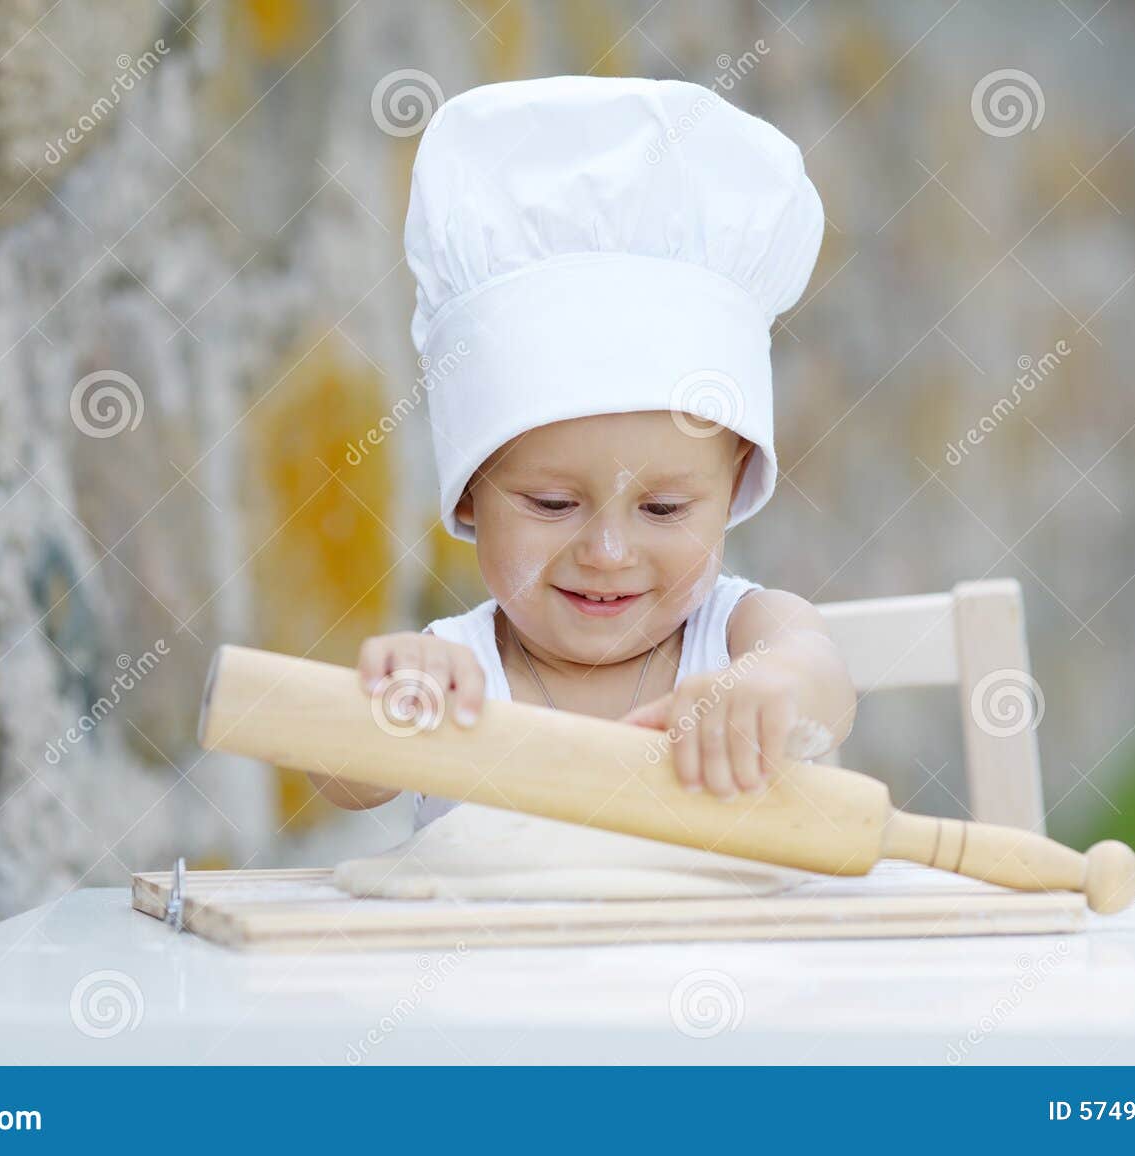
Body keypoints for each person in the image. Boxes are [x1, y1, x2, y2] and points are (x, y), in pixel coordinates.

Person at [311, 76, 856, 828]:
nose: (605, 551)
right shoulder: (461, 671)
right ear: (469, 489)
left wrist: (771, 690)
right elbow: (340, 775)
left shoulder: (738, 637)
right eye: (552, 504)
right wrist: (392, 706)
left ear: (734, 487)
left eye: (663, 508)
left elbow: (822, 679)